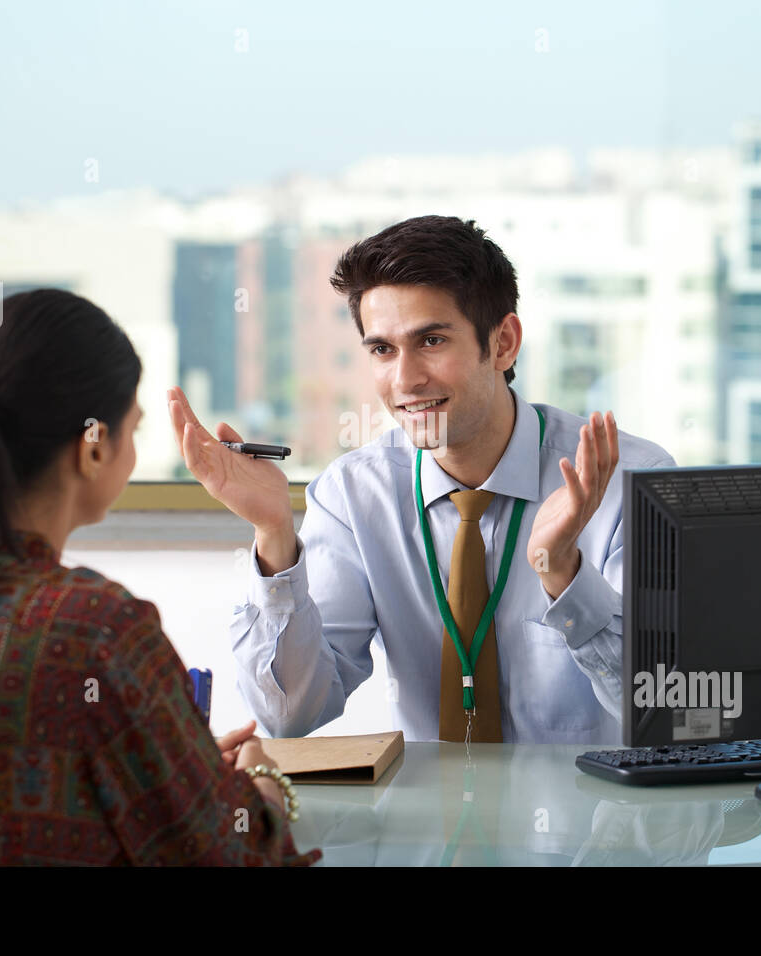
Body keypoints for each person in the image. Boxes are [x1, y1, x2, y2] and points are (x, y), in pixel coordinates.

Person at [0, 288, 319, 866]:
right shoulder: (100, 630)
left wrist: (176, 758)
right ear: (92, 449)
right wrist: (263, 784)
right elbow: (237, 859)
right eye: (132, 430)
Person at [170, 215, 676, 746]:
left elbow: (664, 706)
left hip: (592, 822)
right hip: (426, 826)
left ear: (503, 343)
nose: (405, 380)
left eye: (431, 341)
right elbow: (291, 715)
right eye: (382, 350)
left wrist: (567, 575)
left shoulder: (630, 484)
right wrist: (273, 534)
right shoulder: (352, 496)